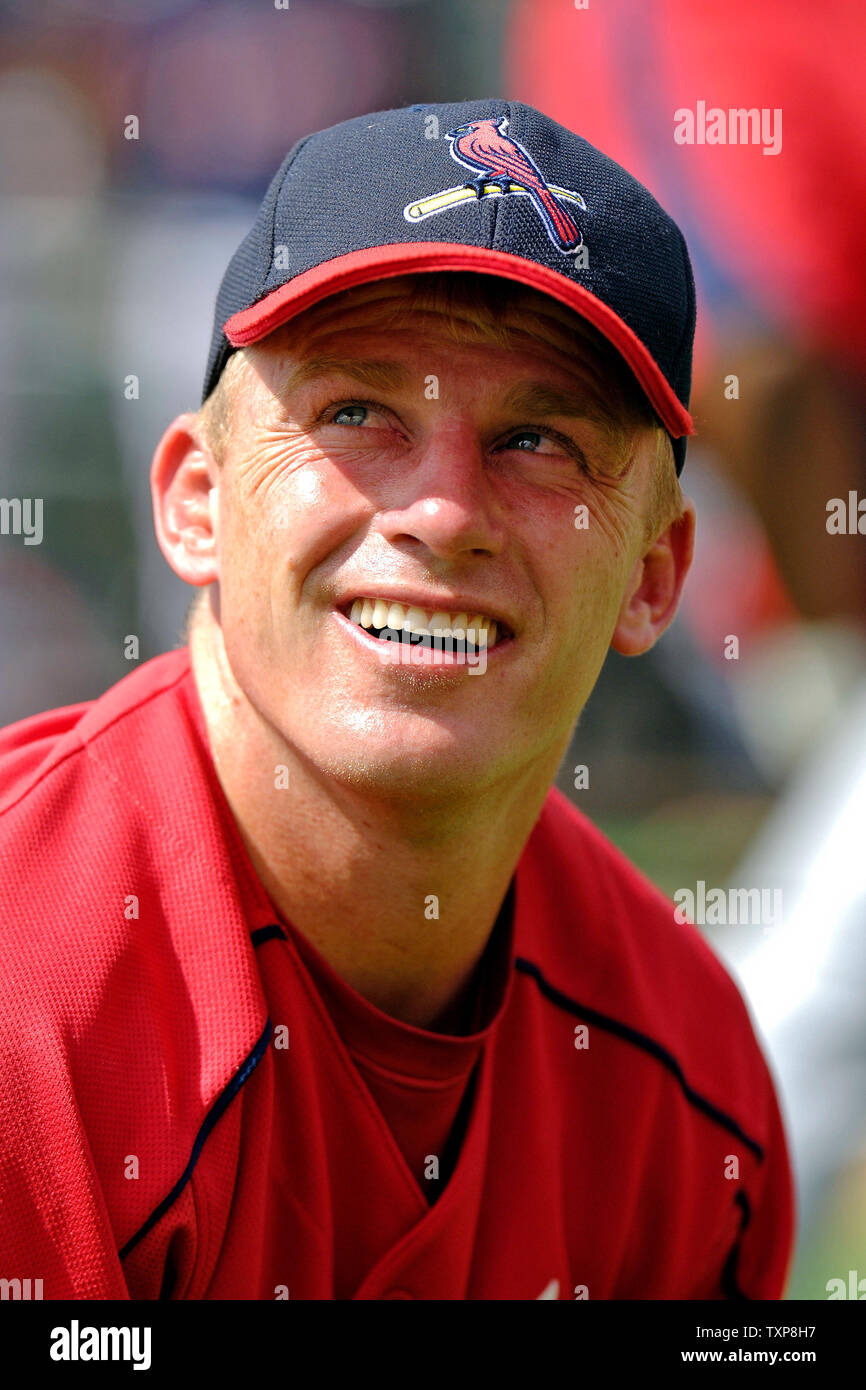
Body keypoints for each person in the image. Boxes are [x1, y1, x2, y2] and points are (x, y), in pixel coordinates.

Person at [0, 101, 793, 1300]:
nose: (441, 512)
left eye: (536, 439)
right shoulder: (30, 1008)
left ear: (650, 574)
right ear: (197, 501)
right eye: (357, 414)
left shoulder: (685, 1079)